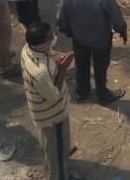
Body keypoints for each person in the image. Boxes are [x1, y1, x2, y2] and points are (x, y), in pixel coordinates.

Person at [56, 0, 127, 105]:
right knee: (100, 68)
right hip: (101, 41)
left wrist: (67, 30)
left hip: (79, 39)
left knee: (81, 66)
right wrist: (121, 29)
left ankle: (82, 92)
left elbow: (61, 18)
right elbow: (116, 18)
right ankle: (102, 94)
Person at [21, 21, 76, 180]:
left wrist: (59, 58)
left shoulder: (27, 49)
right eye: (50, 38)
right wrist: (63, 69)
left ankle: (60, 165)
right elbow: (53, 96)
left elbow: (50, 55)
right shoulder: (40, 73)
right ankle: (59, 176)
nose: (54, 38)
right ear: (41, 44)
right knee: (55, 152)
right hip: (52, 117)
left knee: (56, 147)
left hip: (46, 113)